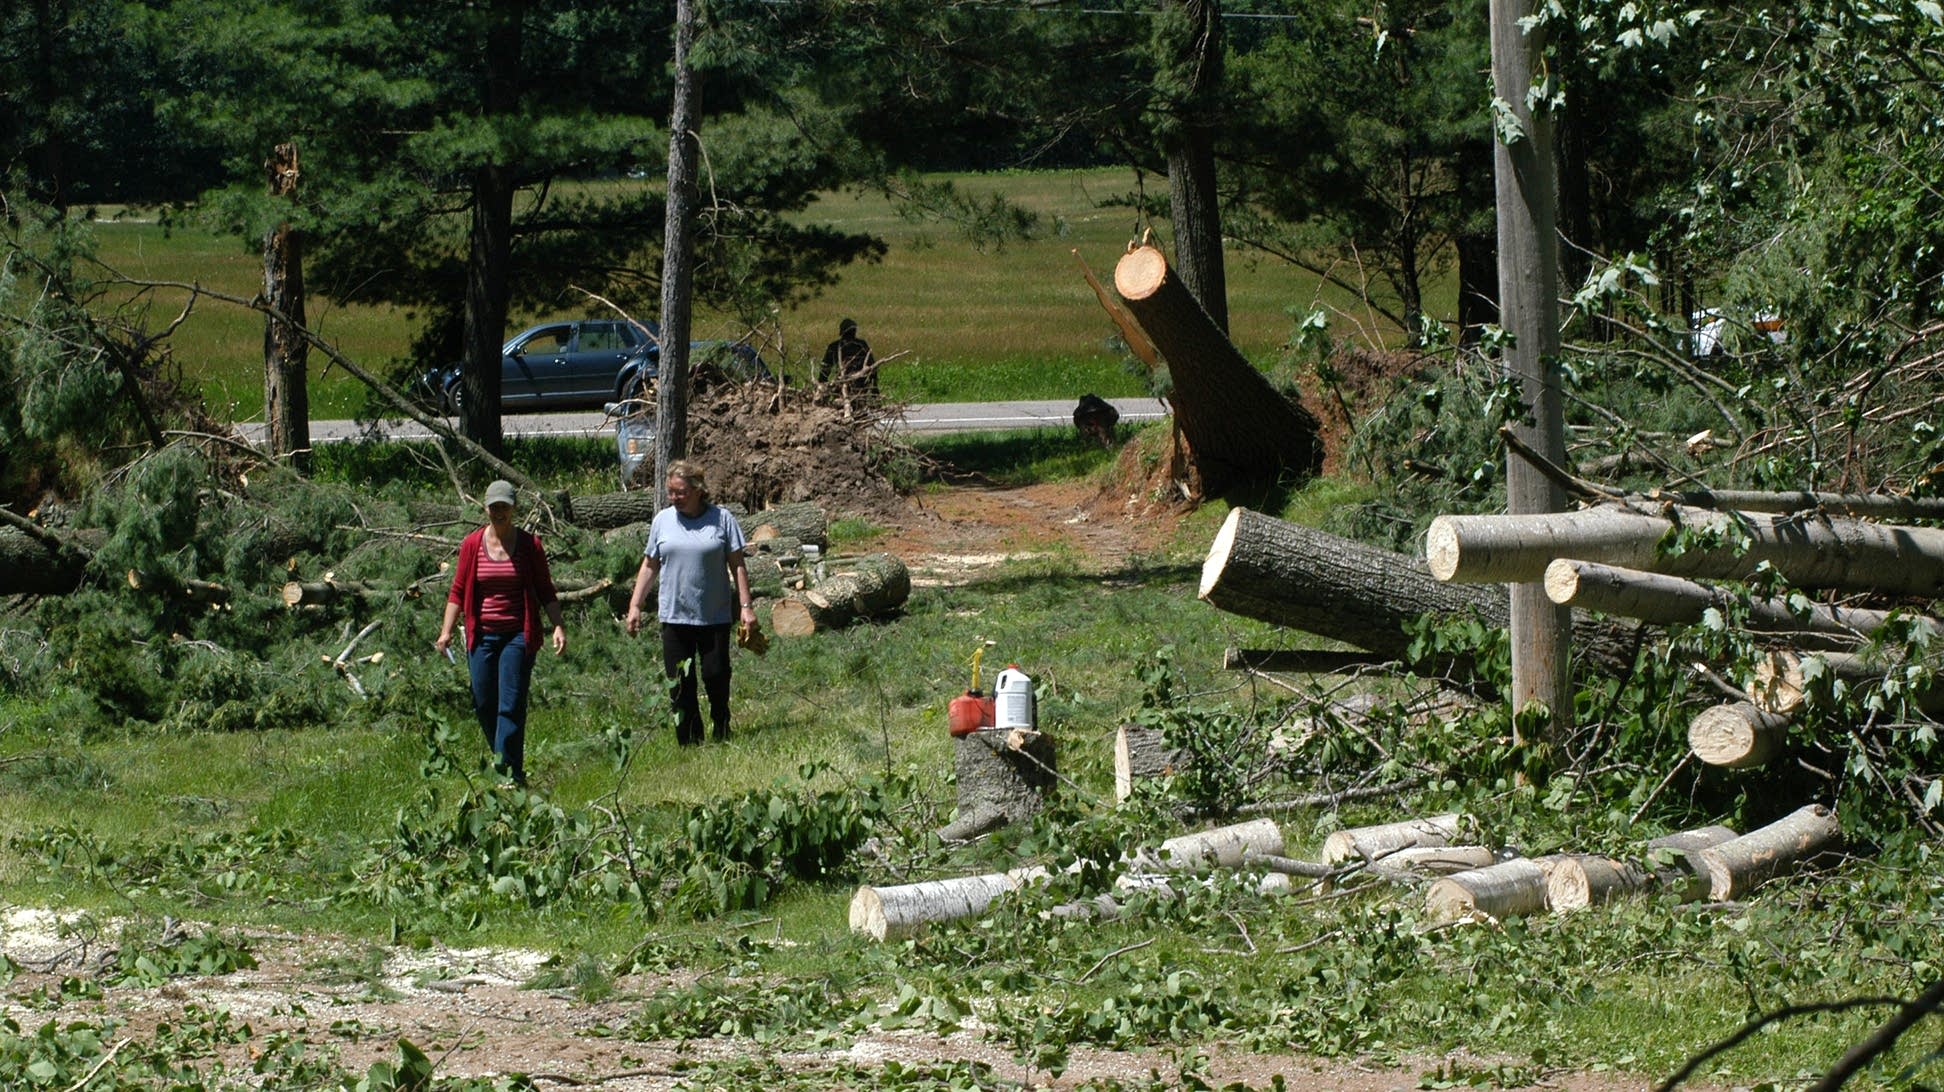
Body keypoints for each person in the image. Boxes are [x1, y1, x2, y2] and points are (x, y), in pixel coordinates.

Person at [434, 479, 566, 786]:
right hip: (482, 635)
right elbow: (458, 590)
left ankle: (508, 774)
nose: (499, 513)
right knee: (483, 701)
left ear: (513, 509)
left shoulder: (530, 545)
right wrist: (446, 632)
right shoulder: (472, 544)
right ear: (486, 509)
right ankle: (504, 761)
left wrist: (558, 624)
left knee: (510, 702)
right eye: (494, 507)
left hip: (518, 635)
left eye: (504, 507)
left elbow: (545, 589)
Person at [625, 461, 760, 745]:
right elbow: (650, 564)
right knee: (680, 684)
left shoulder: (722, 519)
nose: (674, 498)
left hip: (714, 615)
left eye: (680, 492)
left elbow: (737, 565)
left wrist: (746, 607)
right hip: (674, 615)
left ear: (698, 490)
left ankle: (721, 725)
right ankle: (689, 741)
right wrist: (635, 605)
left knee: (716, 675)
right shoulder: (662, 520)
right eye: (670, 492)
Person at [819, 317, 877, 395]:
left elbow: (825, 368)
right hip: (855, 384)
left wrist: (822, 383)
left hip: (847, 383)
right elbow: (872, 366)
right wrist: (874, 385)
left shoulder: (834, 346)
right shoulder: (861, 344)